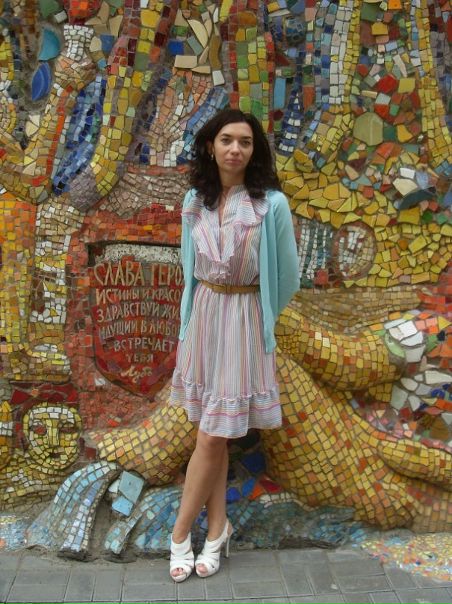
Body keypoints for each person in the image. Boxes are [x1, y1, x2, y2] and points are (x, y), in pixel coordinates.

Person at [168, 108, 299, 581]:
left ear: (254, 150)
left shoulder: (271, 205)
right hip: (204, 315)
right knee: (214, 432)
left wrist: (258, 319)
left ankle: (179, 534)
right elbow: (188, 269)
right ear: (211, 145)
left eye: (245, 142)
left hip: (243, 319)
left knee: (210, 434)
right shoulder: (194, 201)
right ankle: (218, 527)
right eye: (226, 140)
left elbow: (288, 277)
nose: (235, 149)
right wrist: (188, 323)